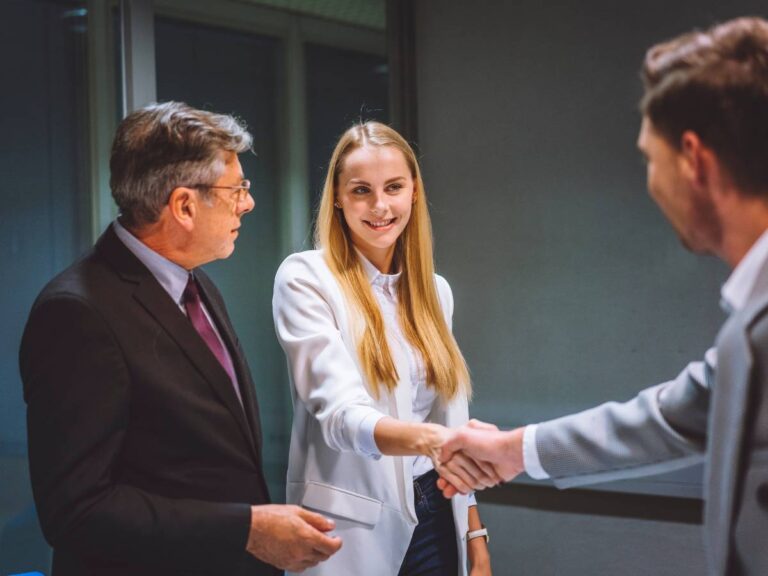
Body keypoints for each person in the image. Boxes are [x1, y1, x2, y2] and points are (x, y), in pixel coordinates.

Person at [438, 16, 768, 576]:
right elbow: (672, 416)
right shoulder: (750, 323)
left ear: (694, 159)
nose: (649, 181)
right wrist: (516, 449)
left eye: (649, 158)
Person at [19, 101, 341, 576]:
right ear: (185, 206)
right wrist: (246, 530)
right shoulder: (76, 312)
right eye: (237, 189)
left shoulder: (198, 283)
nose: (247, 203)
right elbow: (77, 511)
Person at [272, 121, 496, 575]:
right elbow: (339, 415)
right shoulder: (305, 278)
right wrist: (439, 442)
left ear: (414, 191)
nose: (380, 206)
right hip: (351, 529)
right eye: (360, 191)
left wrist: (474, 532)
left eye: (394, 187)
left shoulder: (435, 291)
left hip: (437, 512)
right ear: (336, 197)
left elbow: (444, 416)